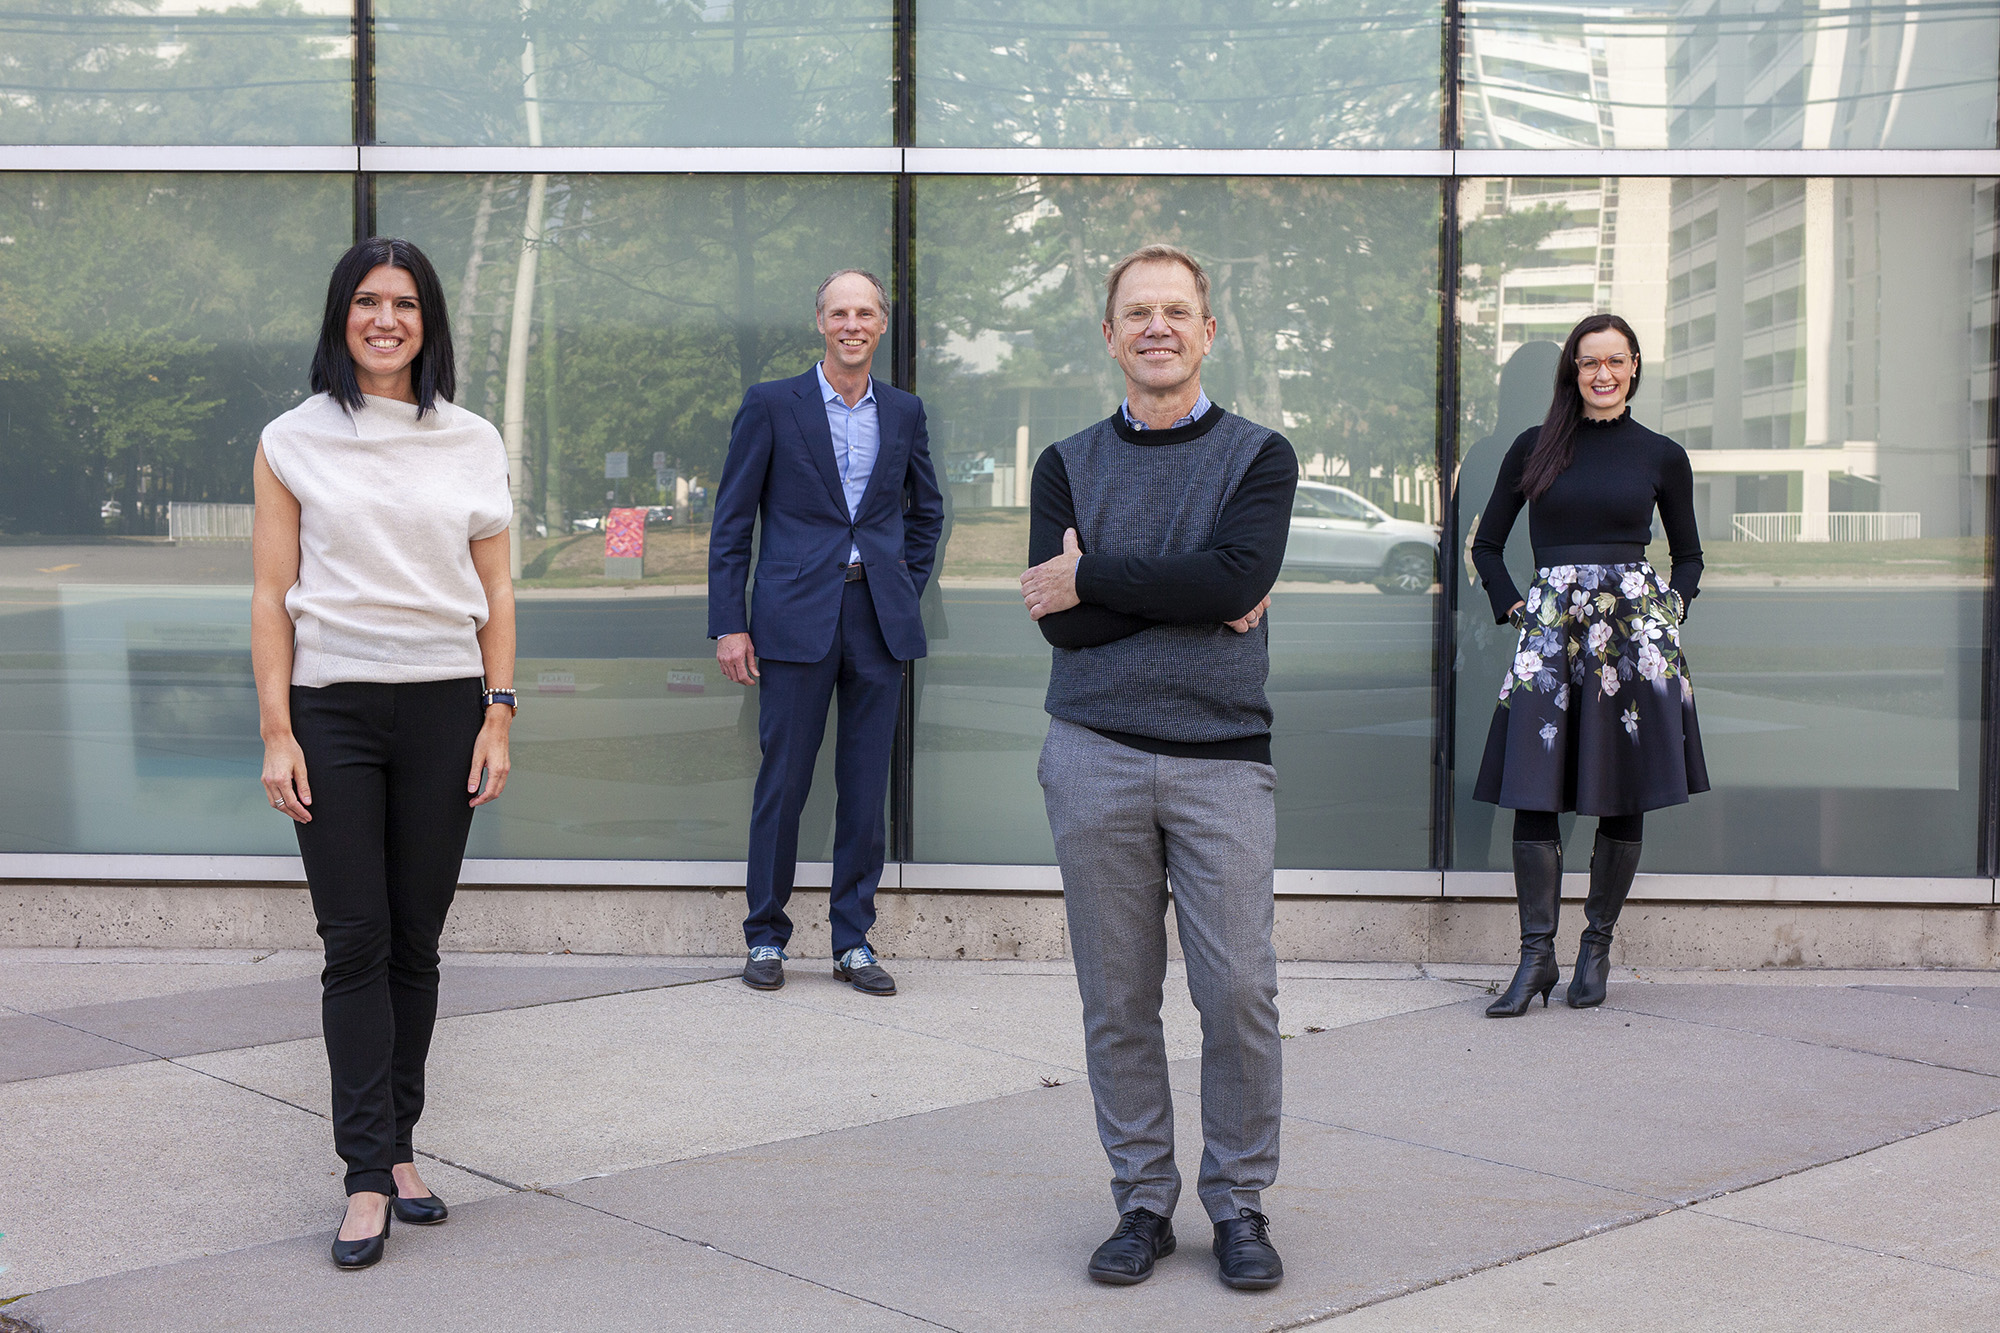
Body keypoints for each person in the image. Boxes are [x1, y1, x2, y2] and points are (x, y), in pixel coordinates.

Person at [1020, 244, 1295, 1291]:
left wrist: (1098, 572)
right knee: (1117, 995)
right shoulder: (1064, 461)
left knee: (1236, 995)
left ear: (1207, 329)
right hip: (1090, 755)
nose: (1156, 328)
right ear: (1109, 334)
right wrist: (1191, 591)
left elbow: (1237, 572)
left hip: (1223, 761)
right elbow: (1063, 626)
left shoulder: (1258, 457)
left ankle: (1237, 1203)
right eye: (1136, 312)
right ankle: (1141, 1201)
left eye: (1176, 311)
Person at [251, 238, 516, 1269]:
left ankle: (401, 1144)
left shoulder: (471, 440)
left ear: (427, 319)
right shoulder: (291, 440)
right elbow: (272, 599)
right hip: (334, 712)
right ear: (341, 316)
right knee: (353, 940)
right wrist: (278, 729)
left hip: (447, 708)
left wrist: (498, 714)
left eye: (404, 302)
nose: (385, 319)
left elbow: (496, 595)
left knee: (416, 940)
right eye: (367, 301)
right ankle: (365, 1174)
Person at [708, 269, 943, 997]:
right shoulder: (772, 404)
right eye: (839, 311)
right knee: (783, 782)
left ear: (879, 324)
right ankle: (767, 937)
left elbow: (926, 511)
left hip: (876, 621)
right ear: (820, 322)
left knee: (866, 788)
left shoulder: (903, 411)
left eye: (865, 312)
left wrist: (898, 582)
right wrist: (730, 624)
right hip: (790, 620)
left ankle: (853, 941)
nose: (852, 323)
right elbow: (732, 523)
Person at [1470, 312, 1708, 1017]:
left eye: (1615, 360)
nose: (1602, 374)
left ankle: (1596, 944)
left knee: (1622, 788)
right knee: (1536, 788)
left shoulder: (1660, 455)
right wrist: (1516, 605)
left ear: (1634, 366)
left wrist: (1672, 609)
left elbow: (1690, 555)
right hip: (1553, 635)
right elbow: (1487, 545)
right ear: (1572, 373)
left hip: (1634, 639)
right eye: (1587, 363)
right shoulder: (1533, 447)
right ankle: (1535, 954)